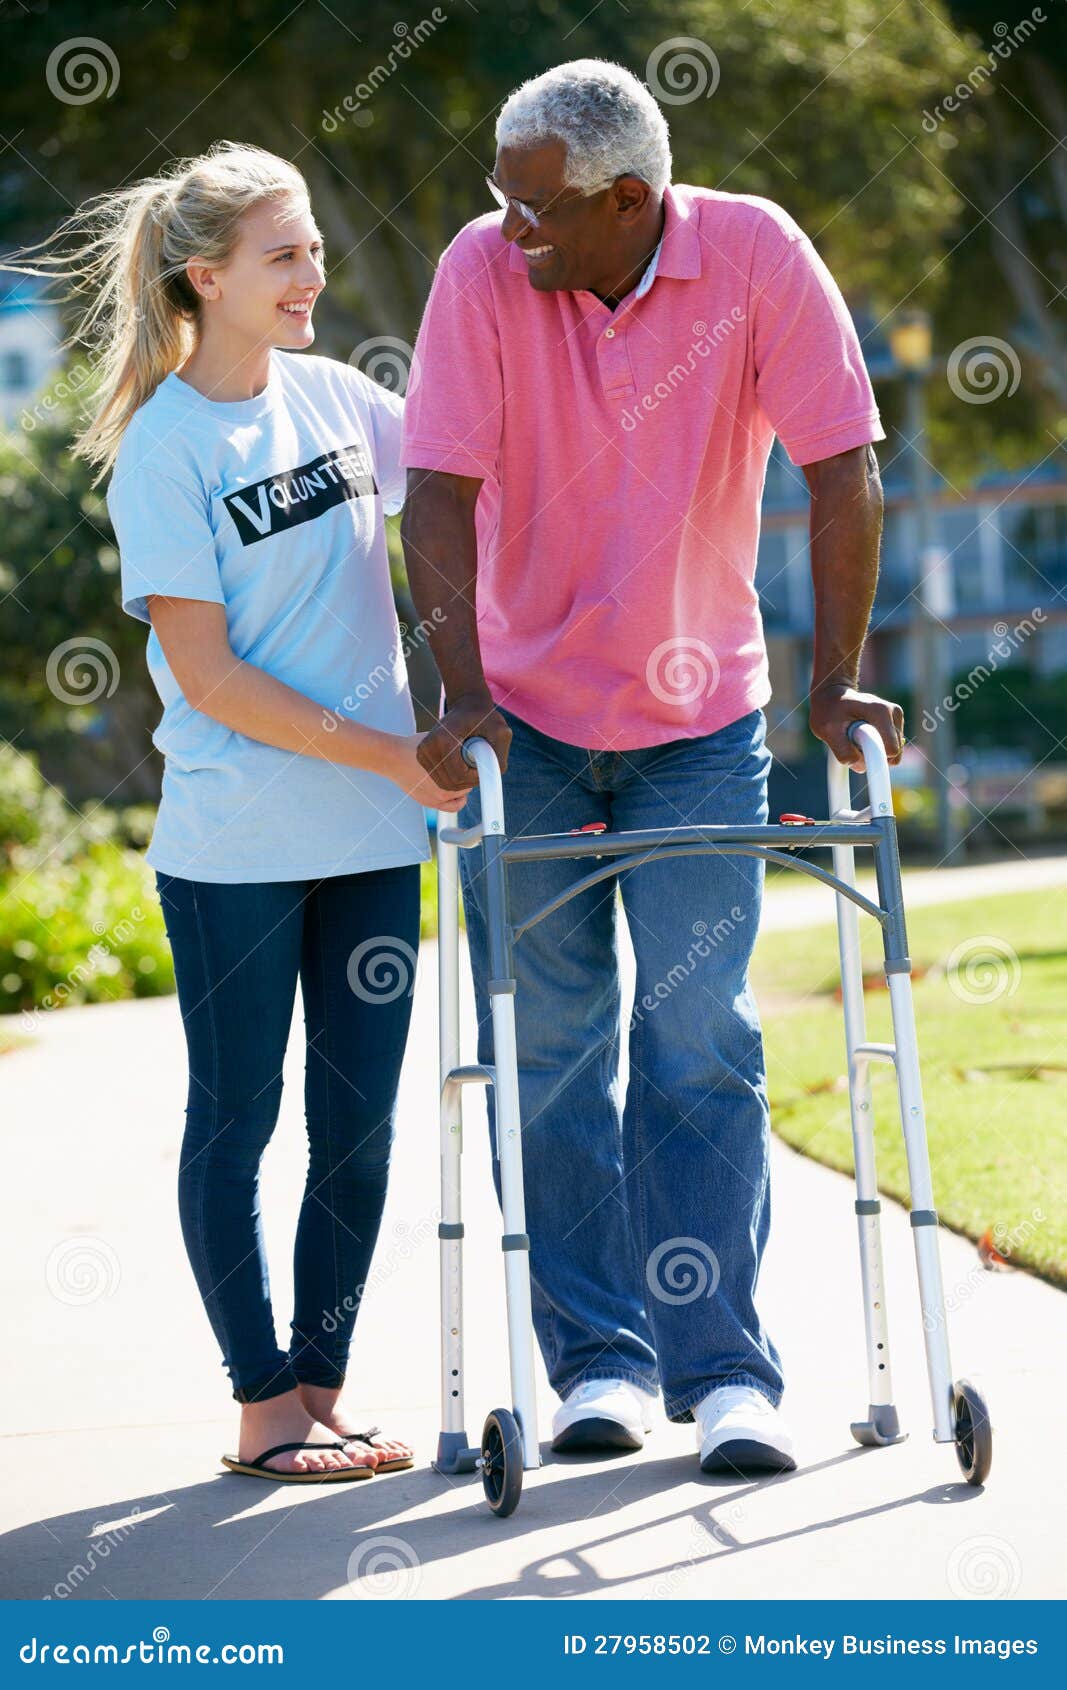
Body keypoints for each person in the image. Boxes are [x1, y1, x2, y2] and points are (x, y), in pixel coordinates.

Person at [400, 61, 904, 1476]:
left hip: (700, 721)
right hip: (532, 725)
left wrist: (830, 677)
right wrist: (464, 691)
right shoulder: (483, 274)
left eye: (538, 207)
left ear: (633, 199)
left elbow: (844, 463)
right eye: (502, 200)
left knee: (702, 1039)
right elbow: (434, 492)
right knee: (551, 1048)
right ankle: (599, 1365)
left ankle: (728, 1372)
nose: (510, 229)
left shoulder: (753, 252)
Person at [15, 141, 470, 1482]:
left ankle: (323, 1389)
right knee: (238, 1121)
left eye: (316, 246)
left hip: (377, 844)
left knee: (361, 1124)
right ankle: (261, 1404)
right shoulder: (163, 451)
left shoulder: (339, 398)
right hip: (237, 853)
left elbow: (458, 501)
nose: (313, 273)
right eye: (285, 255)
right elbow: (207, 673)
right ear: (204, 277)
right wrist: (392, 755)